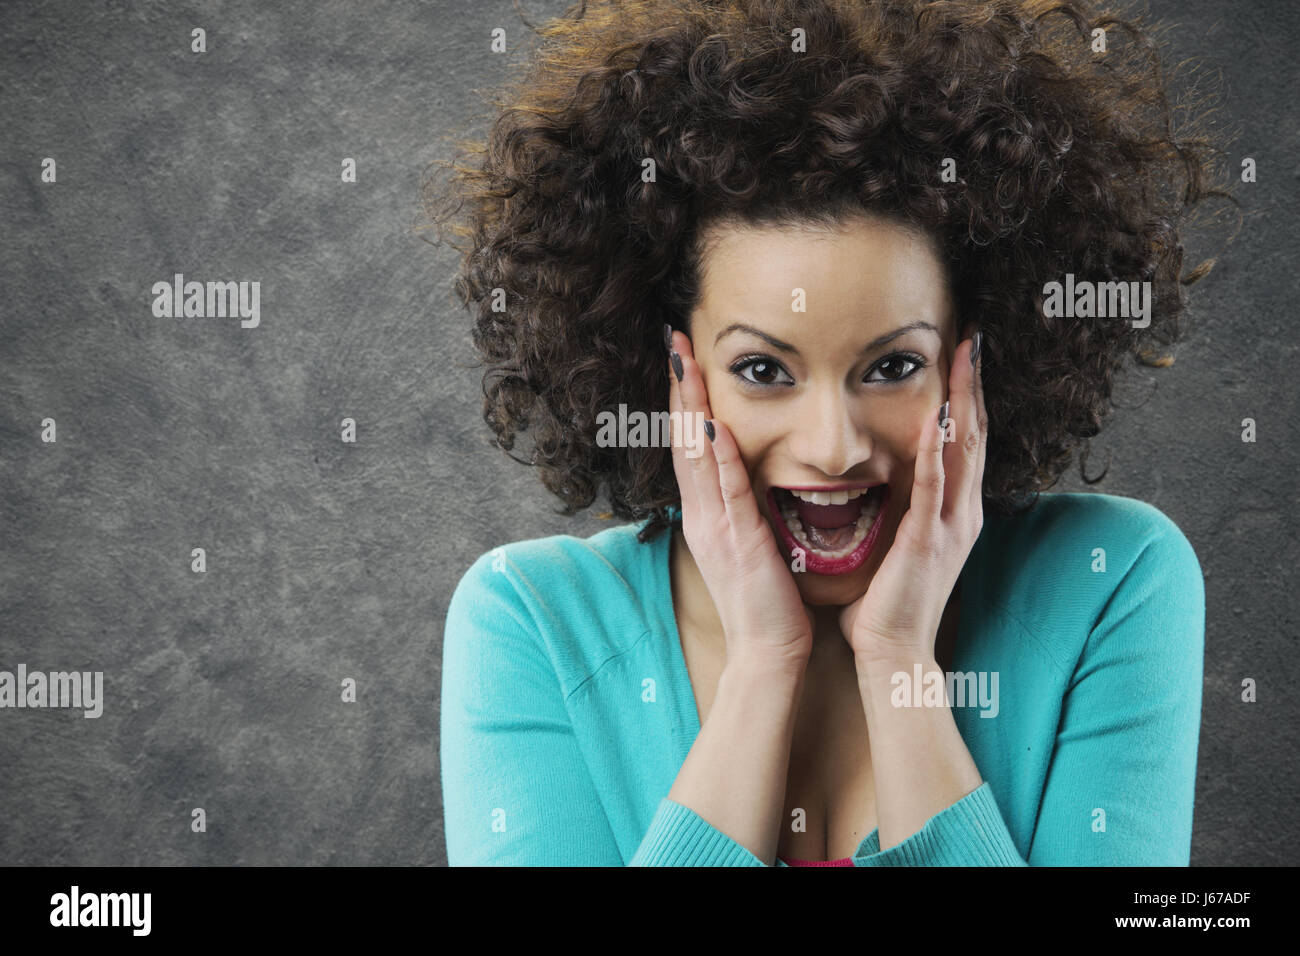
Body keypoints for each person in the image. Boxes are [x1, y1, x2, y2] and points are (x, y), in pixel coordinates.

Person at [426, 0, 1236, 865]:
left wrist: (899, 661)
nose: (834, 446)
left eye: (892, 367)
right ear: (670, 369)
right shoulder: (532, 622)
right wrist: (762, 664)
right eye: (762, 370)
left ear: (974, 359)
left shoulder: (1109, 581)